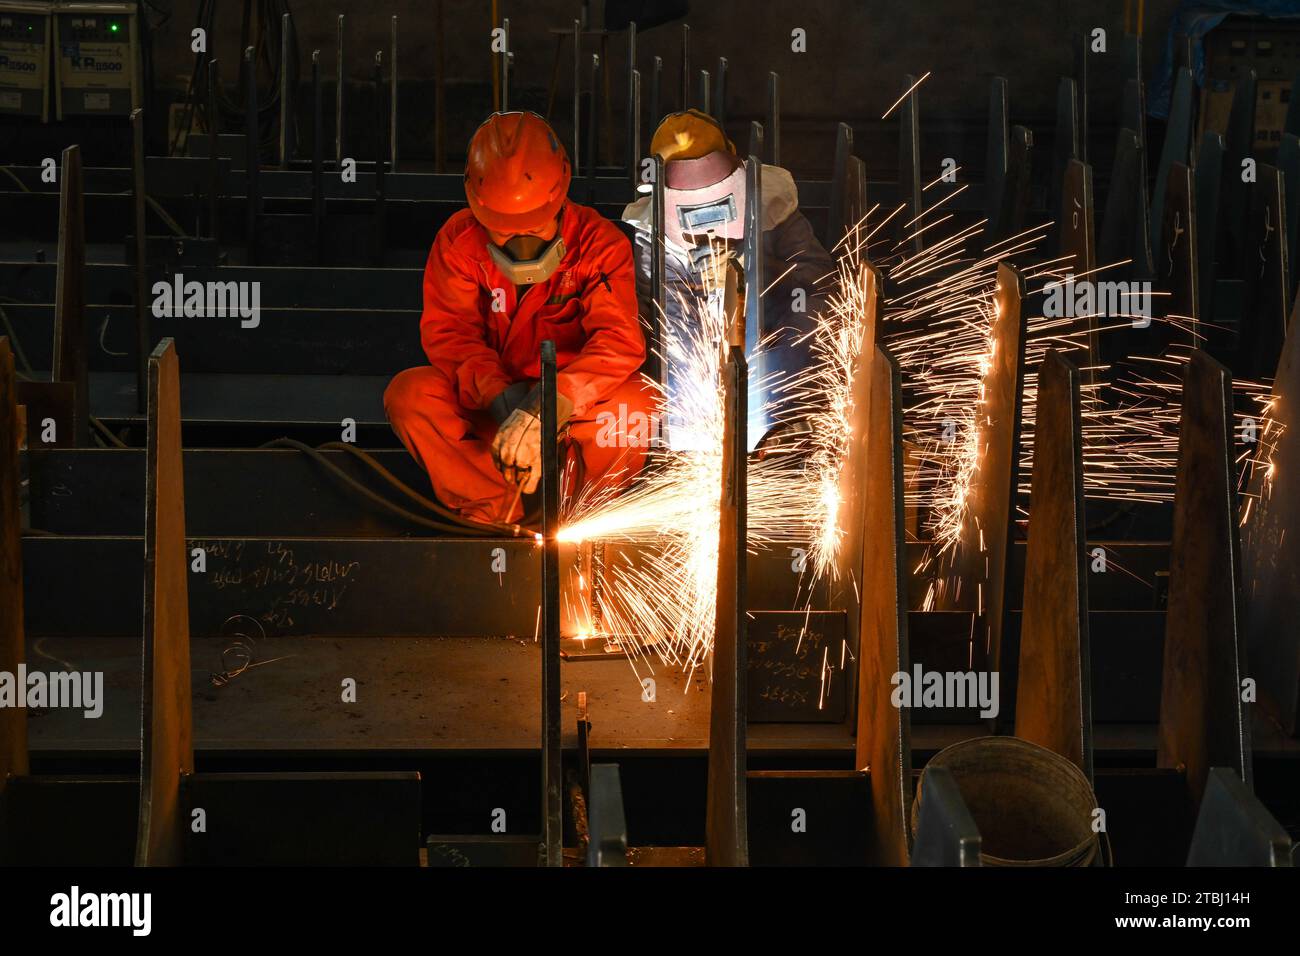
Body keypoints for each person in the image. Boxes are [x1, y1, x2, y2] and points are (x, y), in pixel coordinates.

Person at [384, 111, 655, 525]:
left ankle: (586, 519)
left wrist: (546, 409)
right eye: (505, 230)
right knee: (411, 395)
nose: (523, 243)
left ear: (562, 191)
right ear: (477, 206)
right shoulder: (458, 244)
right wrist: (505, 404)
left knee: (635, 402)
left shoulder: (600, 243)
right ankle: (491, 514)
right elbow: (451, 336)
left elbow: (618, 341)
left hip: (574, 412)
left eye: (536, 225)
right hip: (492, 411)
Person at [622, 109, 835, 446]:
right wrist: (696, 289)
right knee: (673, 339)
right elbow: (659, 318)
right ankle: (692, 437)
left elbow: (820, 281)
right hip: (698, 347)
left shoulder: (771, 203)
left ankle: (784, 427)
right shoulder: (653, 232)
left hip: (772, 333)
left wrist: (754, 271)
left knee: (808, 312)